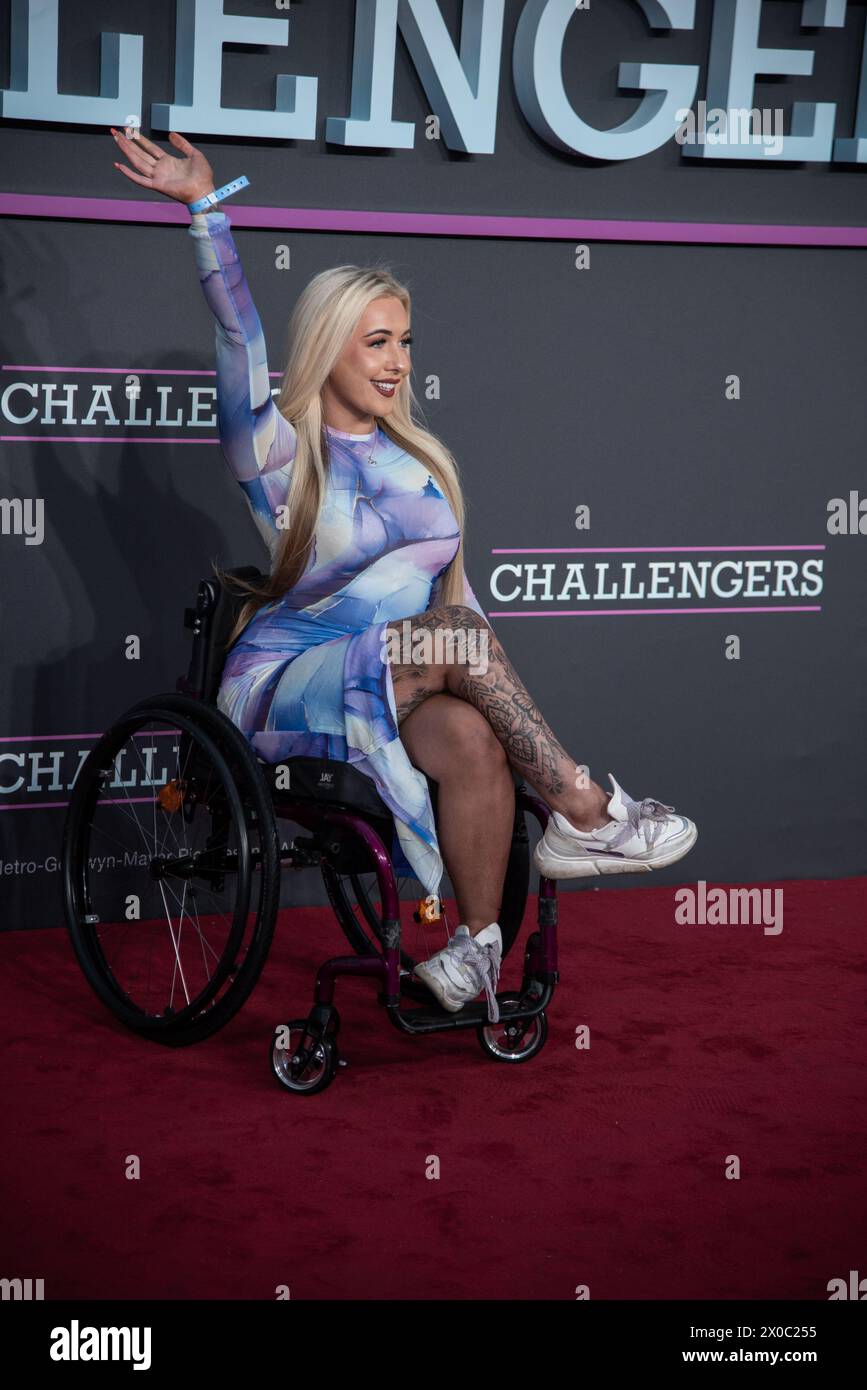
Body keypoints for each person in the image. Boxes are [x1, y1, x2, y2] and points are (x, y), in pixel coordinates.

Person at [111, 128, 697, 1023]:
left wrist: (489, 696)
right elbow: (236, 328)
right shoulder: (273, 450)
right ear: (326, 348)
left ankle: (473, 947)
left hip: (406, 671)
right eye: (375, 341)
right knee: (463, 652)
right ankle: (583, 810)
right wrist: (206, 214)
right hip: (286, 684)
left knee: (470, 738)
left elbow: (450, 604)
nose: (397, 362)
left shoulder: (419, 460)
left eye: (405, 342)